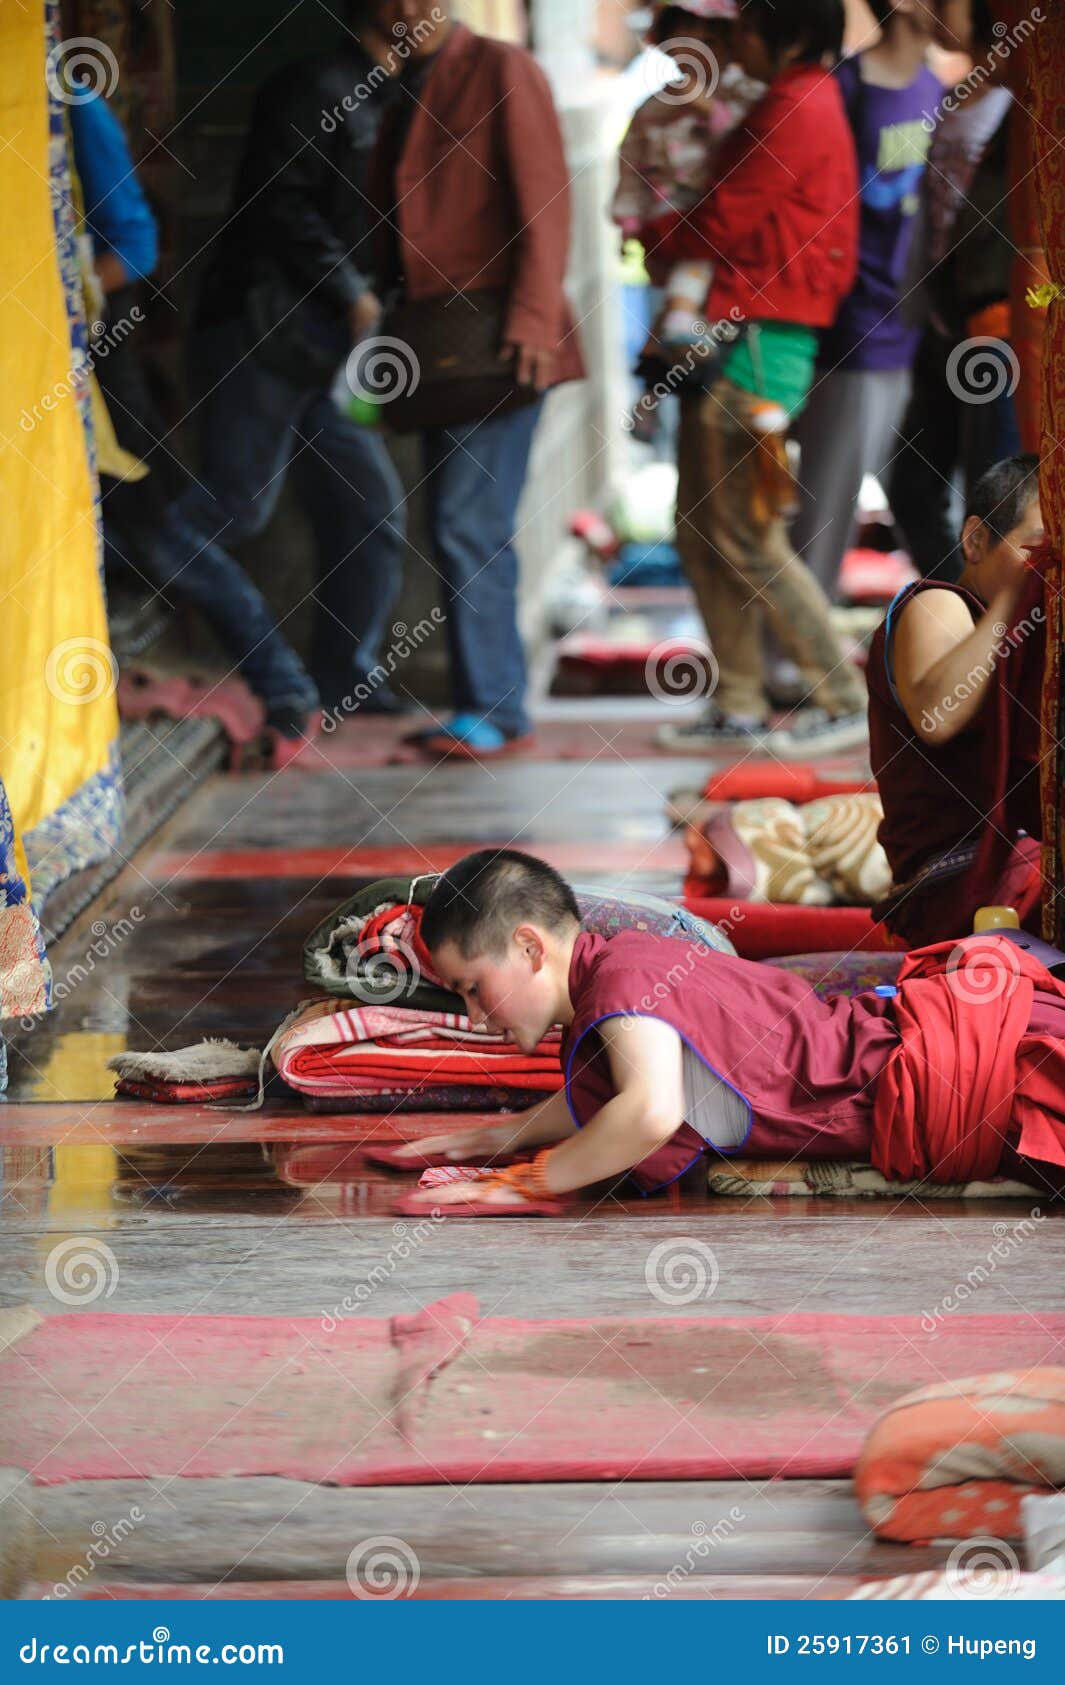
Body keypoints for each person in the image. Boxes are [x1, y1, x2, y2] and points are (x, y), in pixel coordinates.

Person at [381, 849, 1065, 1213]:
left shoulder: (621, 987)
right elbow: (626, 1085)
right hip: (947, 1041)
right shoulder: (620, 966)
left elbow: (649, 1111)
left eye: (473, 987)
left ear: (530, 949)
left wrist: (524, 1183)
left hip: (978, 1075)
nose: (474, 1016)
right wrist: (493, 1137)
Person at [172, 2, 410, 727]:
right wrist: (351, 293)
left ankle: (345, 675)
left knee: (371, 512)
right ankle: (110, 549)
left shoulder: (403, 91)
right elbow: (282, 206)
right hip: (264, 330)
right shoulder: (312, 87)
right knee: (230, 512)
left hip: (325, 351)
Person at [69, 89, 321, 761]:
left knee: (170, 545)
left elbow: (134, 244)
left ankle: (287, 690)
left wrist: (54, 306)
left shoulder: (67, 102)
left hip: (97, 387)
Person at [363, 0, 585, 760]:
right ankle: (482, 702)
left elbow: (547, 200)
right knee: (457, 523)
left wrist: (530, 320)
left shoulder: (500, 68)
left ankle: (494, 707)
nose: (405, 10)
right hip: (442, 344)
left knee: (468, 523)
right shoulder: (409, 77)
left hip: (498, 337)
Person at [650, 0, 869, 756]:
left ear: (789, 34)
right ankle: (737, 699)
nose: (730, 39)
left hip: (754, 342)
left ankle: (840, 695)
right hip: (742, 335)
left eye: (743, 26)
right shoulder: (793, 99)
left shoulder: (795, 104)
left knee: (746, 532)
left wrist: (649, 237)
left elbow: (725, 218)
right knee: (699, 529)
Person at [790, 0, 942, 601]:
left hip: (922, 325)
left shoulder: (937, 85)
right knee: (825, 502)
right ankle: (792, 659)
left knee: (915, 494)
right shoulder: (845, 88)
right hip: (855, 326)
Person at [868, 454, 1045, 946]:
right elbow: (937, 717)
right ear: (976, 539)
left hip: (1026, 866)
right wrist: (1019, 592)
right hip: (957, 881)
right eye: (1037, 548)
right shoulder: (938, 602)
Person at [885, 0, 1020, 582]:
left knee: (990, 489)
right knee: (913, 484)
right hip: (942, 317)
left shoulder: (1023, 108)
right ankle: (954, 603)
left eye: (949, 7)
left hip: (996, 323)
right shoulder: (950, 97)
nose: (936, 15)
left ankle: (987, 631)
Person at [612, 2, 756, 350]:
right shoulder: (652, 108)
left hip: (716, 222)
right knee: (663, 302)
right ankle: (659, 363)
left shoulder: (746, 93)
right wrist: (628, 221)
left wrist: (708, 108)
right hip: (662, 221)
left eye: (708, 43)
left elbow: (753, 143)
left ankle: (670, 337)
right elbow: (630, 164)